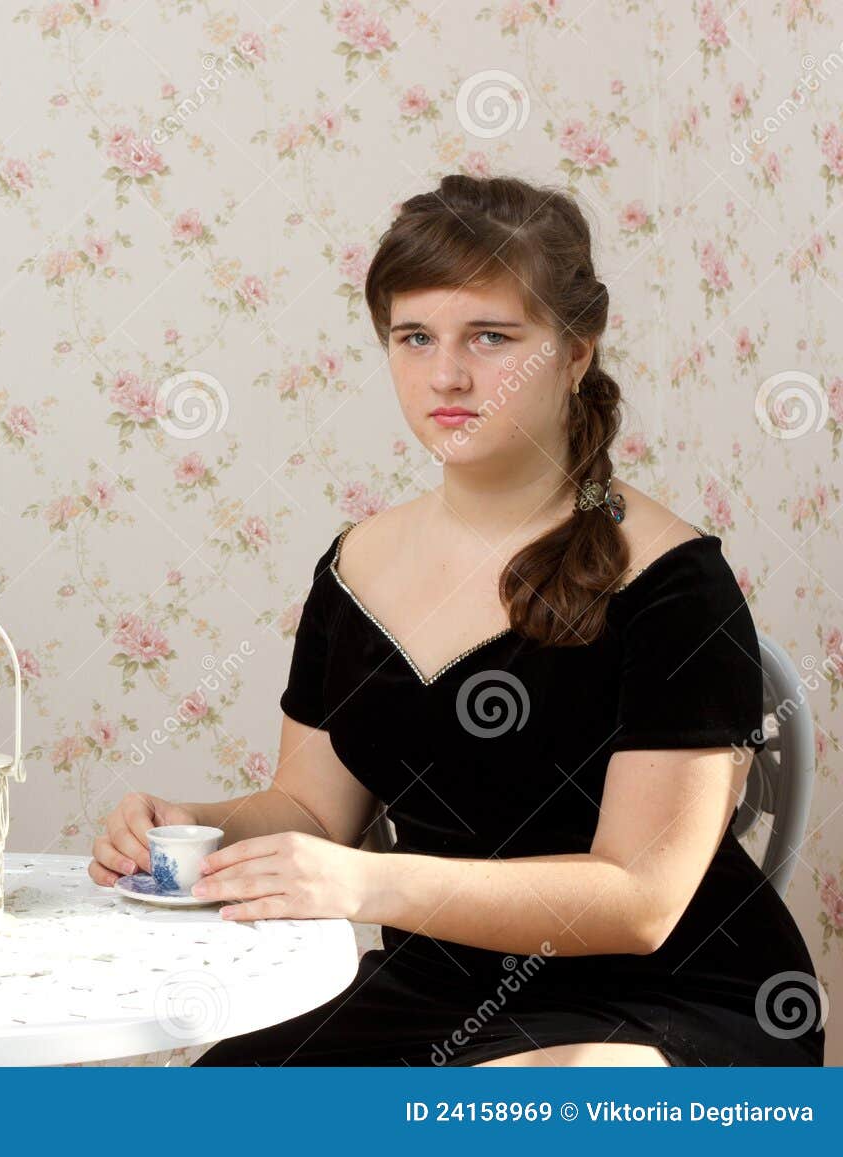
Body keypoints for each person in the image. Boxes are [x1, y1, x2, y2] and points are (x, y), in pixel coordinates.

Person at [90, 174, 825, 1067]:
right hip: (433, 992)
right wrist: (194, 824)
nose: (445, 373)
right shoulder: (353, 566)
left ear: (576, 352)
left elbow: (641, 901)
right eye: (415, 337)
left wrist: (369, 883)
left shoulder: (676, 582)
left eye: (491, 336)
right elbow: (313, 811)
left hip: (666, 1002)